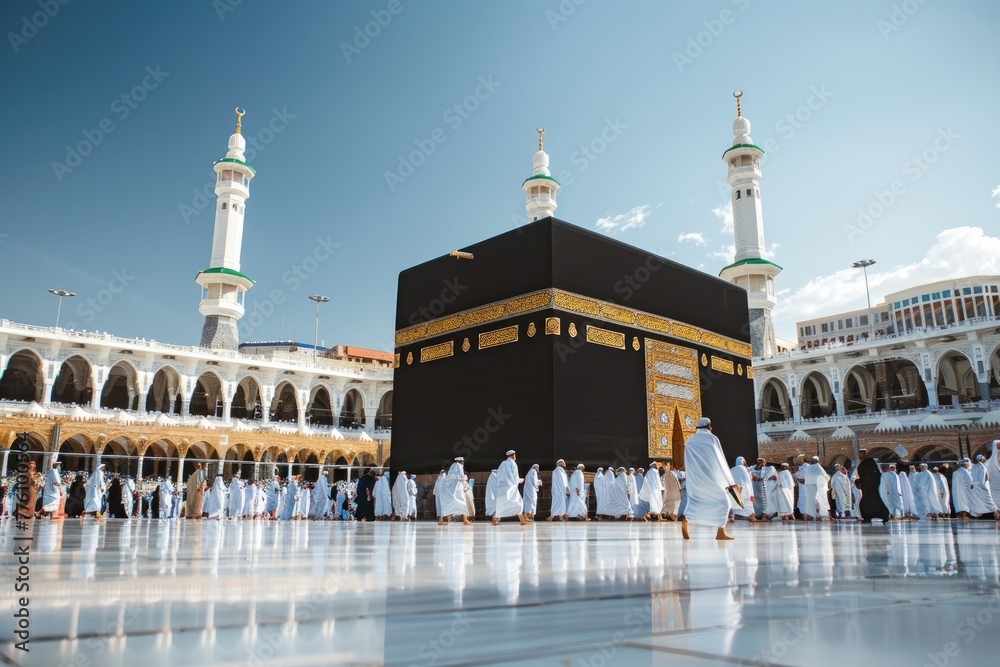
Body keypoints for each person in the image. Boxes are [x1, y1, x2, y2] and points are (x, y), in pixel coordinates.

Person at [680, 418, 737, 540]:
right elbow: (720, 459)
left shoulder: (689, 442)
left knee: (695, 501)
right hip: (712, 478)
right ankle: (720, 532)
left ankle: (686, 521)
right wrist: (729, 481)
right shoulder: (712, 439)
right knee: (724, 502)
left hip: (696, 480)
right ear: (709, 426)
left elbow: (688, 463)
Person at [493, 450, 527, 525]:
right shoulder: (513, 463)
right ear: (513, 455)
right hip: (510, 488)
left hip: (501, 488)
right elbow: (514, 476)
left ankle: (495, 519)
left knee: (501, 504)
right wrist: (519, 480)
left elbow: (498, 476)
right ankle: (522, 520)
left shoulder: (502, 463)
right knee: (518, 503)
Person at [855, 449, 889, 523]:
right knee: (867, 502)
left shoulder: (869, 462)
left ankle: (884, 515)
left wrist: (863, 482)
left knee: (874, 501)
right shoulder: (863, 463)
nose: (859, 456)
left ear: (865, 454)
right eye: (859, 454)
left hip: (871, 486)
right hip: (866, 487)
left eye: (861, 454)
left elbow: (871, 475)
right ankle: (867, 516)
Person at [438, 457, 471, 525]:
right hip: (456, 488)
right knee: (463, 502)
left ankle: (441, 520)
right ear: (461, 461)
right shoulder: (459, 465)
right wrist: (465, 477)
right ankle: (465, 520)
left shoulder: (453, 465)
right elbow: (461, 476)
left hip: (451, 488)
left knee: (447, 503)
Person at [730, 457, 755, 522]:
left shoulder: (732, 470)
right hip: (745, 491)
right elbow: (748, 483)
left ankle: (738, 515)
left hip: (736, 491)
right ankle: (748, 516)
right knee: (748, 507)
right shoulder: (744, 469)